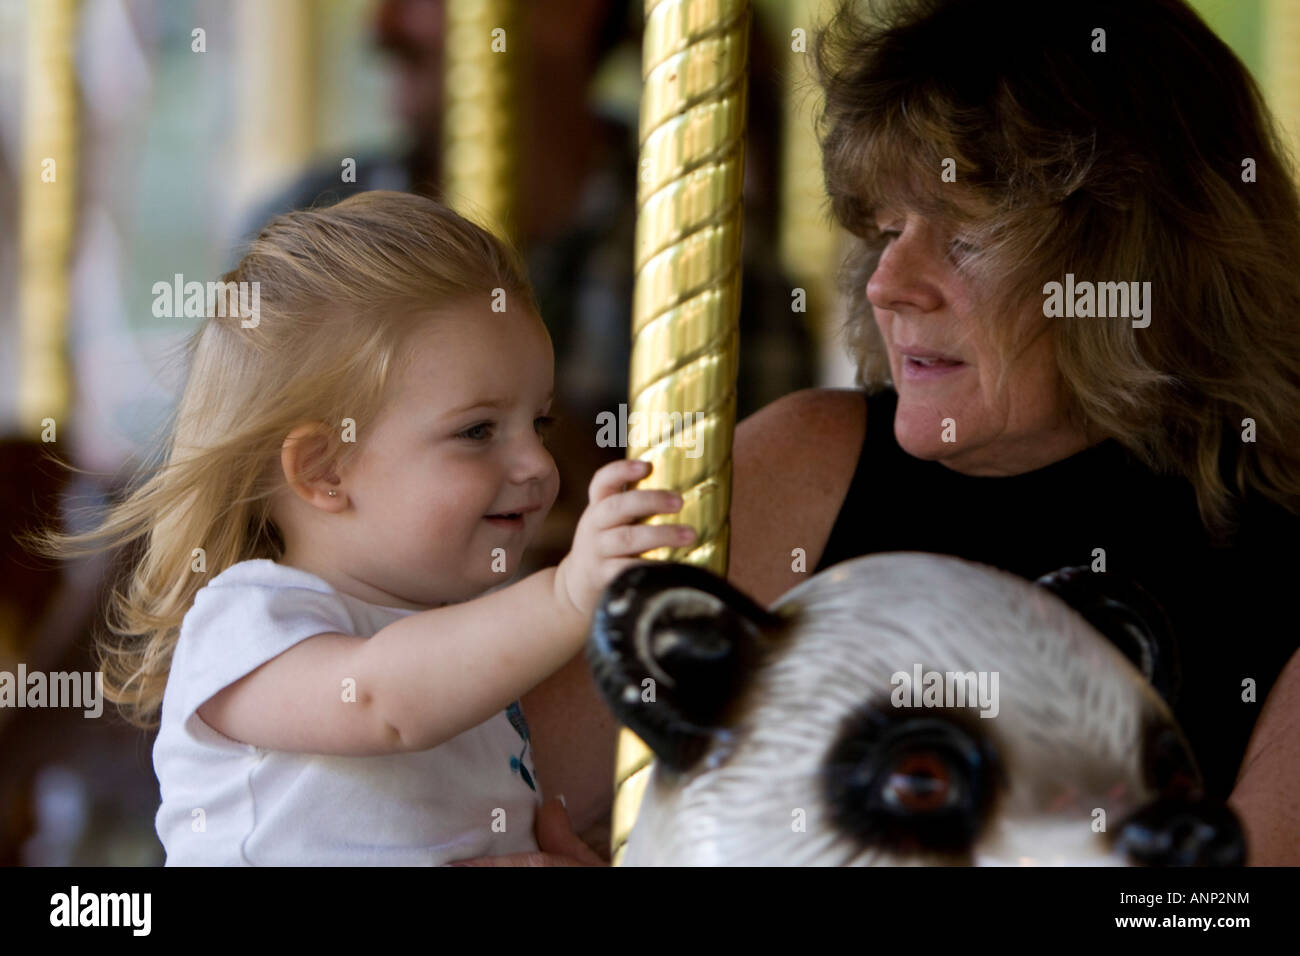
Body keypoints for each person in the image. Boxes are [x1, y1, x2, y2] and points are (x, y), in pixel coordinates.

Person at [457, 0, 1300, 866]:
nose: (889, 284)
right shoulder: (810, 465)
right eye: (888, 231)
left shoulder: (1274, 553)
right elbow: (495, 802)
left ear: (1142, 259)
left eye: (966, 235)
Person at [23, 191, 693, 865]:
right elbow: (383, 701)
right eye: (478, 430)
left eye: (538, 423)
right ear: (324, 470)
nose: (538, 464)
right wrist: (569, 596)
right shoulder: (246, 624)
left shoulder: (464, 638)